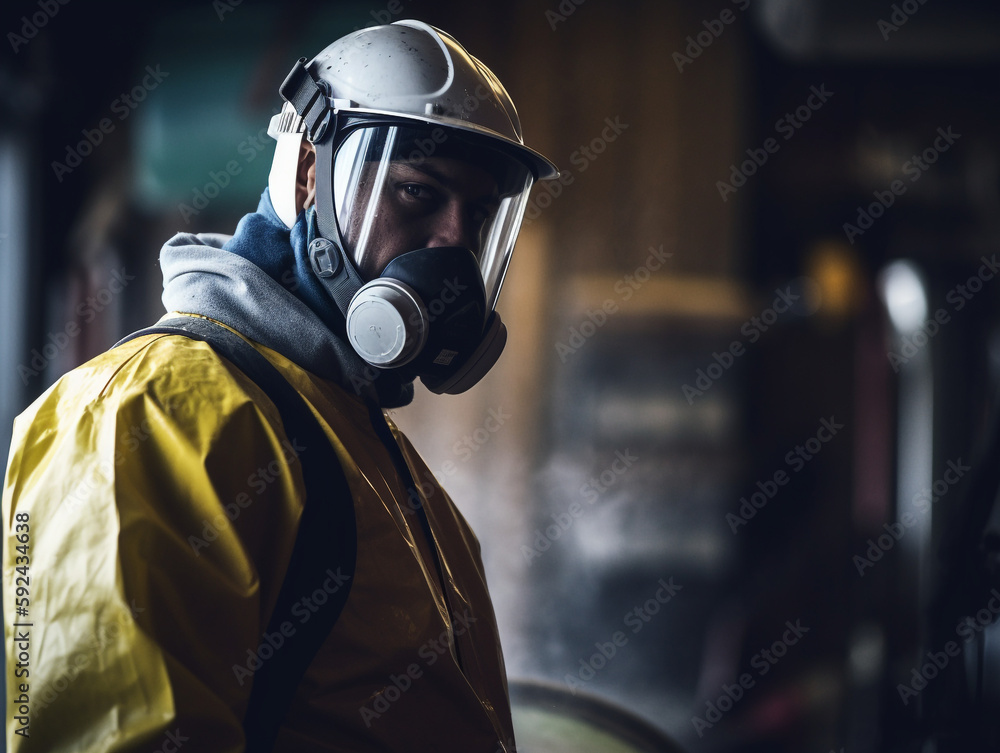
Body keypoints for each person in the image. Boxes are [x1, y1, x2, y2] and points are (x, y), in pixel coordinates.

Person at [2, 19, 557, 752]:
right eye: (419, 193)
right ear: (306, 176)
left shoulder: (368, 449)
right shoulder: (149, 413)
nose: (453, 246)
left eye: (479, 216)